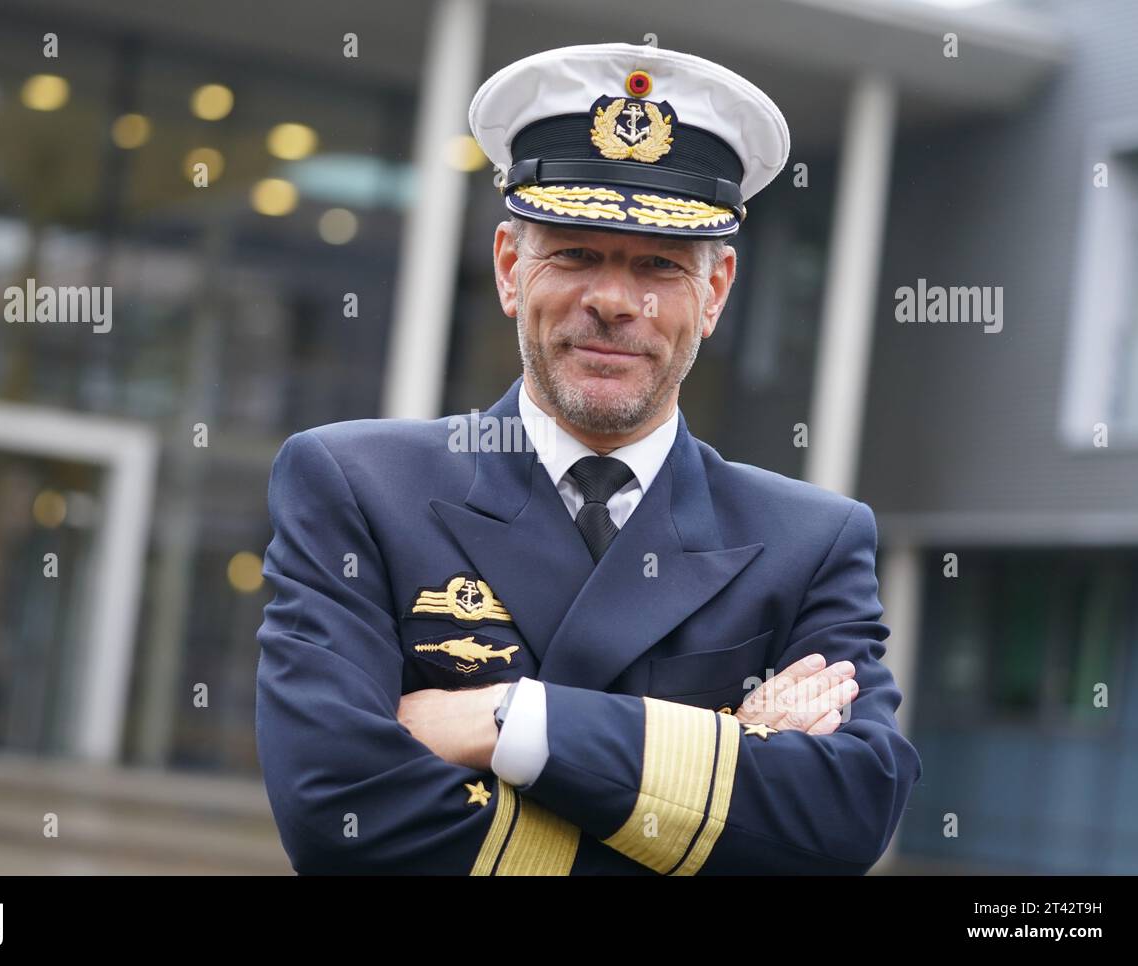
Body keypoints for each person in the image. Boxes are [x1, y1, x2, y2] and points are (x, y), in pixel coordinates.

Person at [255, 41, 921, 875]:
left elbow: (845, 817)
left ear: (713, 295)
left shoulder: (811, 540)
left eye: (658, 266)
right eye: (575, 253)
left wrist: (510, 720)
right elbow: (338, 811)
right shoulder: (357, 488)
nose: (613, 300)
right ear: (508, 269)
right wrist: (722, 759)